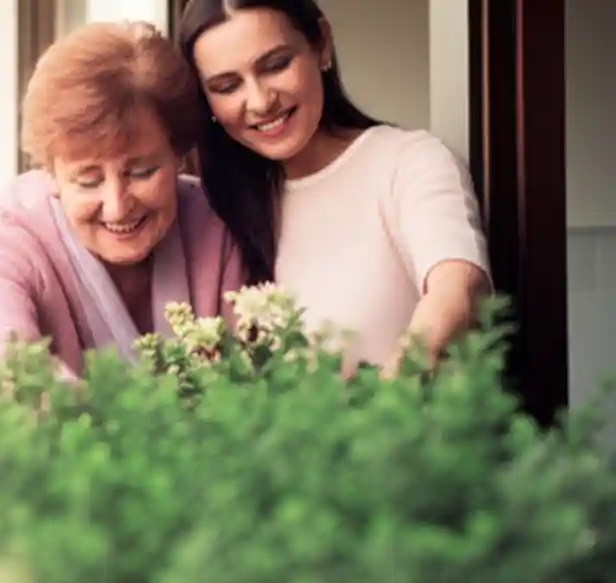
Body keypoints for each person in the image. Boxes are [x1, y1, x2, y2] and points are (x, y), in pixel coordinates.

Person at [177, 0, 492, 372]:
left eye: (276, 65)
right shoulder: (216, 208)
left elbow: (457, 292)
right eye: (227, 86)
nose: (260, 102)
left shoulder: (407, 162)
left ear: (322, 44)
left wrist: (394, 399)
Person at [0, 21, 246, 380]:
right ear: (51, 173)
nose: (117, 206)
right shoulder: (1, 236)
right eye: (88, 180)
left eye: (141, 173)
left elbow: (251, 373)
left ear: (179, 155)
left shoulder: (216, 223)